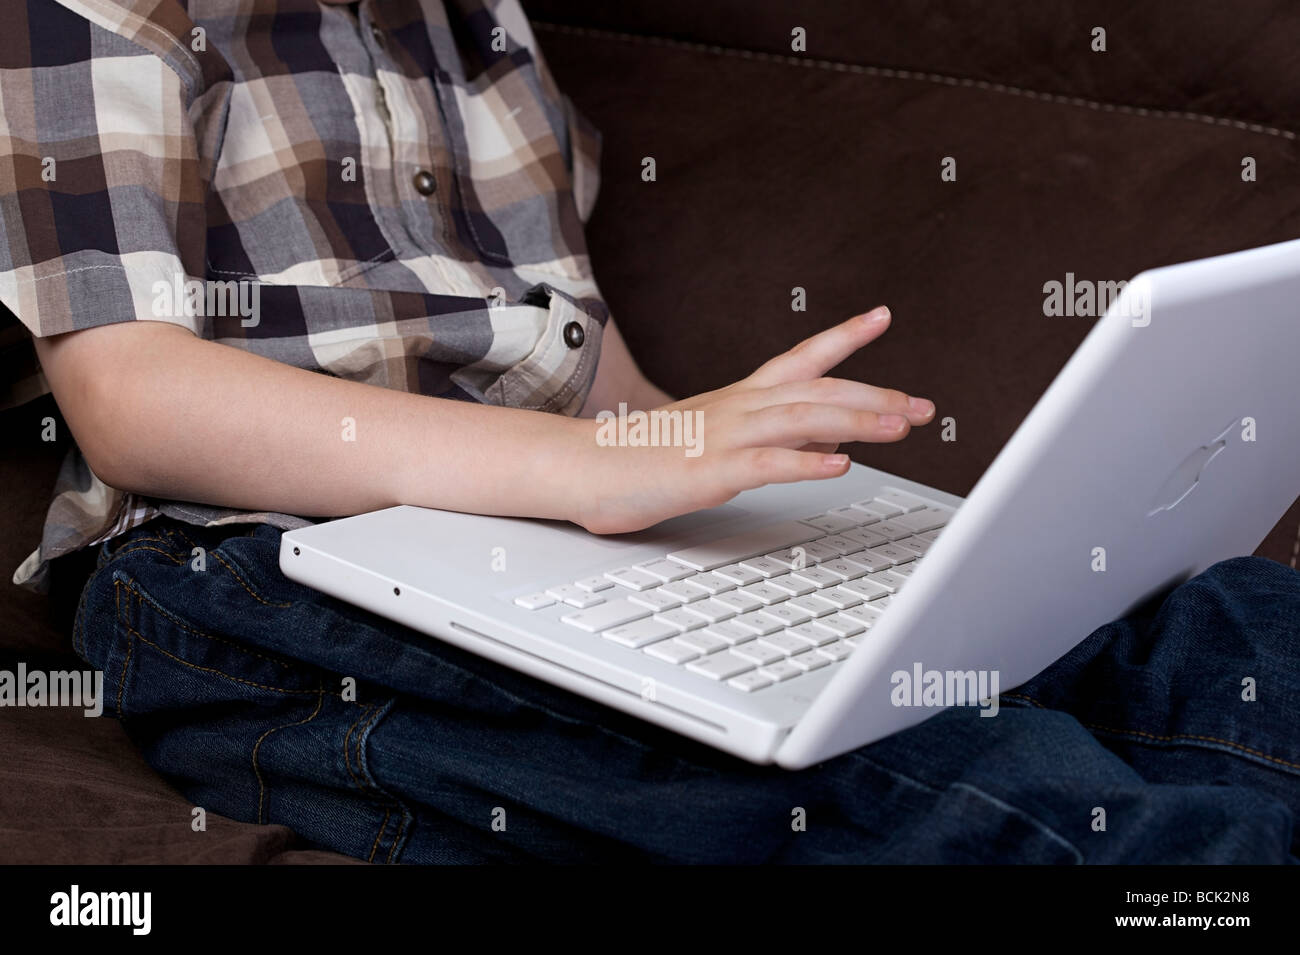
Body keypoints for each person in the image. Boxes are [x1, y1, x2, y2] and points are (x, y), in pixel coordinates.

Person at [4, 0, 1297, 864]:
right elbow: (133, 403)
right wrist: (596, 468)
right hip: (250, 574)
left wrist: (720, 456)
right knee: (963, 781)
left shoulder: (474, 26)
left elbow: (592, 382)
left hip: (555, 529)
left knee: (1230, 622)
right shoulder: (95, 16)